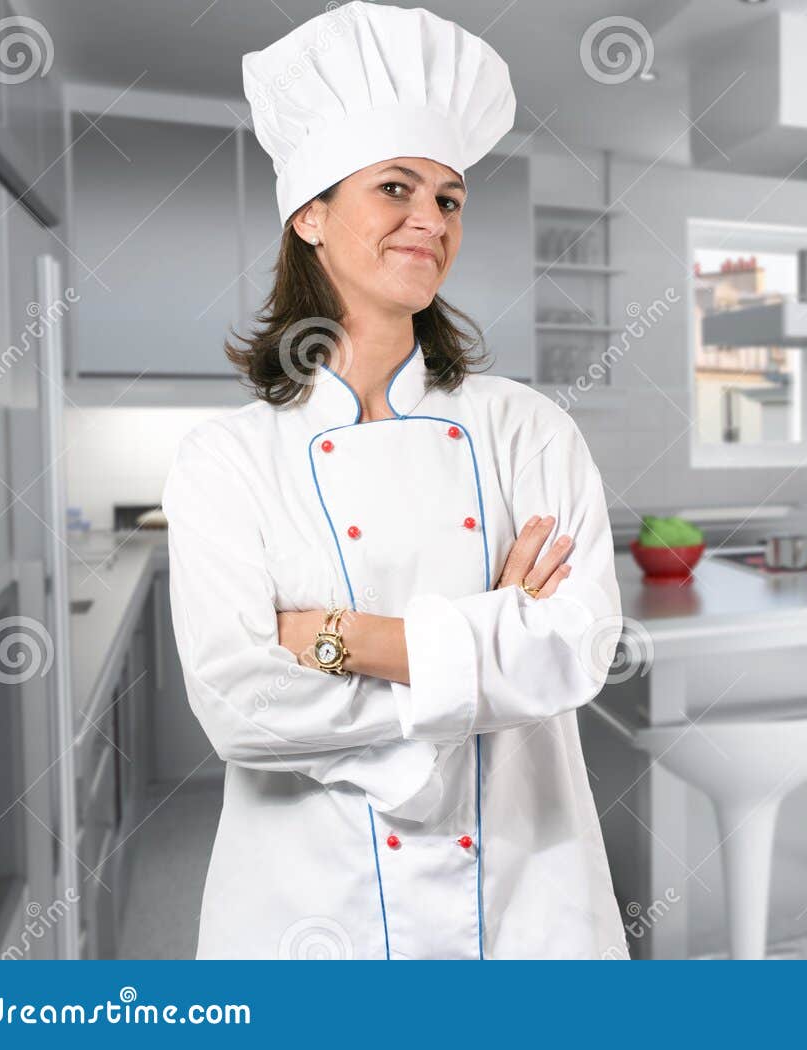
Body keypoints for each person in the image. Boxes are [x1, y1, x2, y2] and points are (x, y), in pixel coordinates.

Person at [160, 1, 626, 960]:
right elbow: (240, 710)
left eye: (449, 198)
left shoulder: (526, 427)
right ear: (311, 213)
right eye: (397, 188)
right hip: (309, 908)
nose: (431, 220)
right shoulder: (227, 458)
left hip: (525, 895)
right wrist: (488, 642)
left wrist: (332, 638)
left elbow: (575, 651)